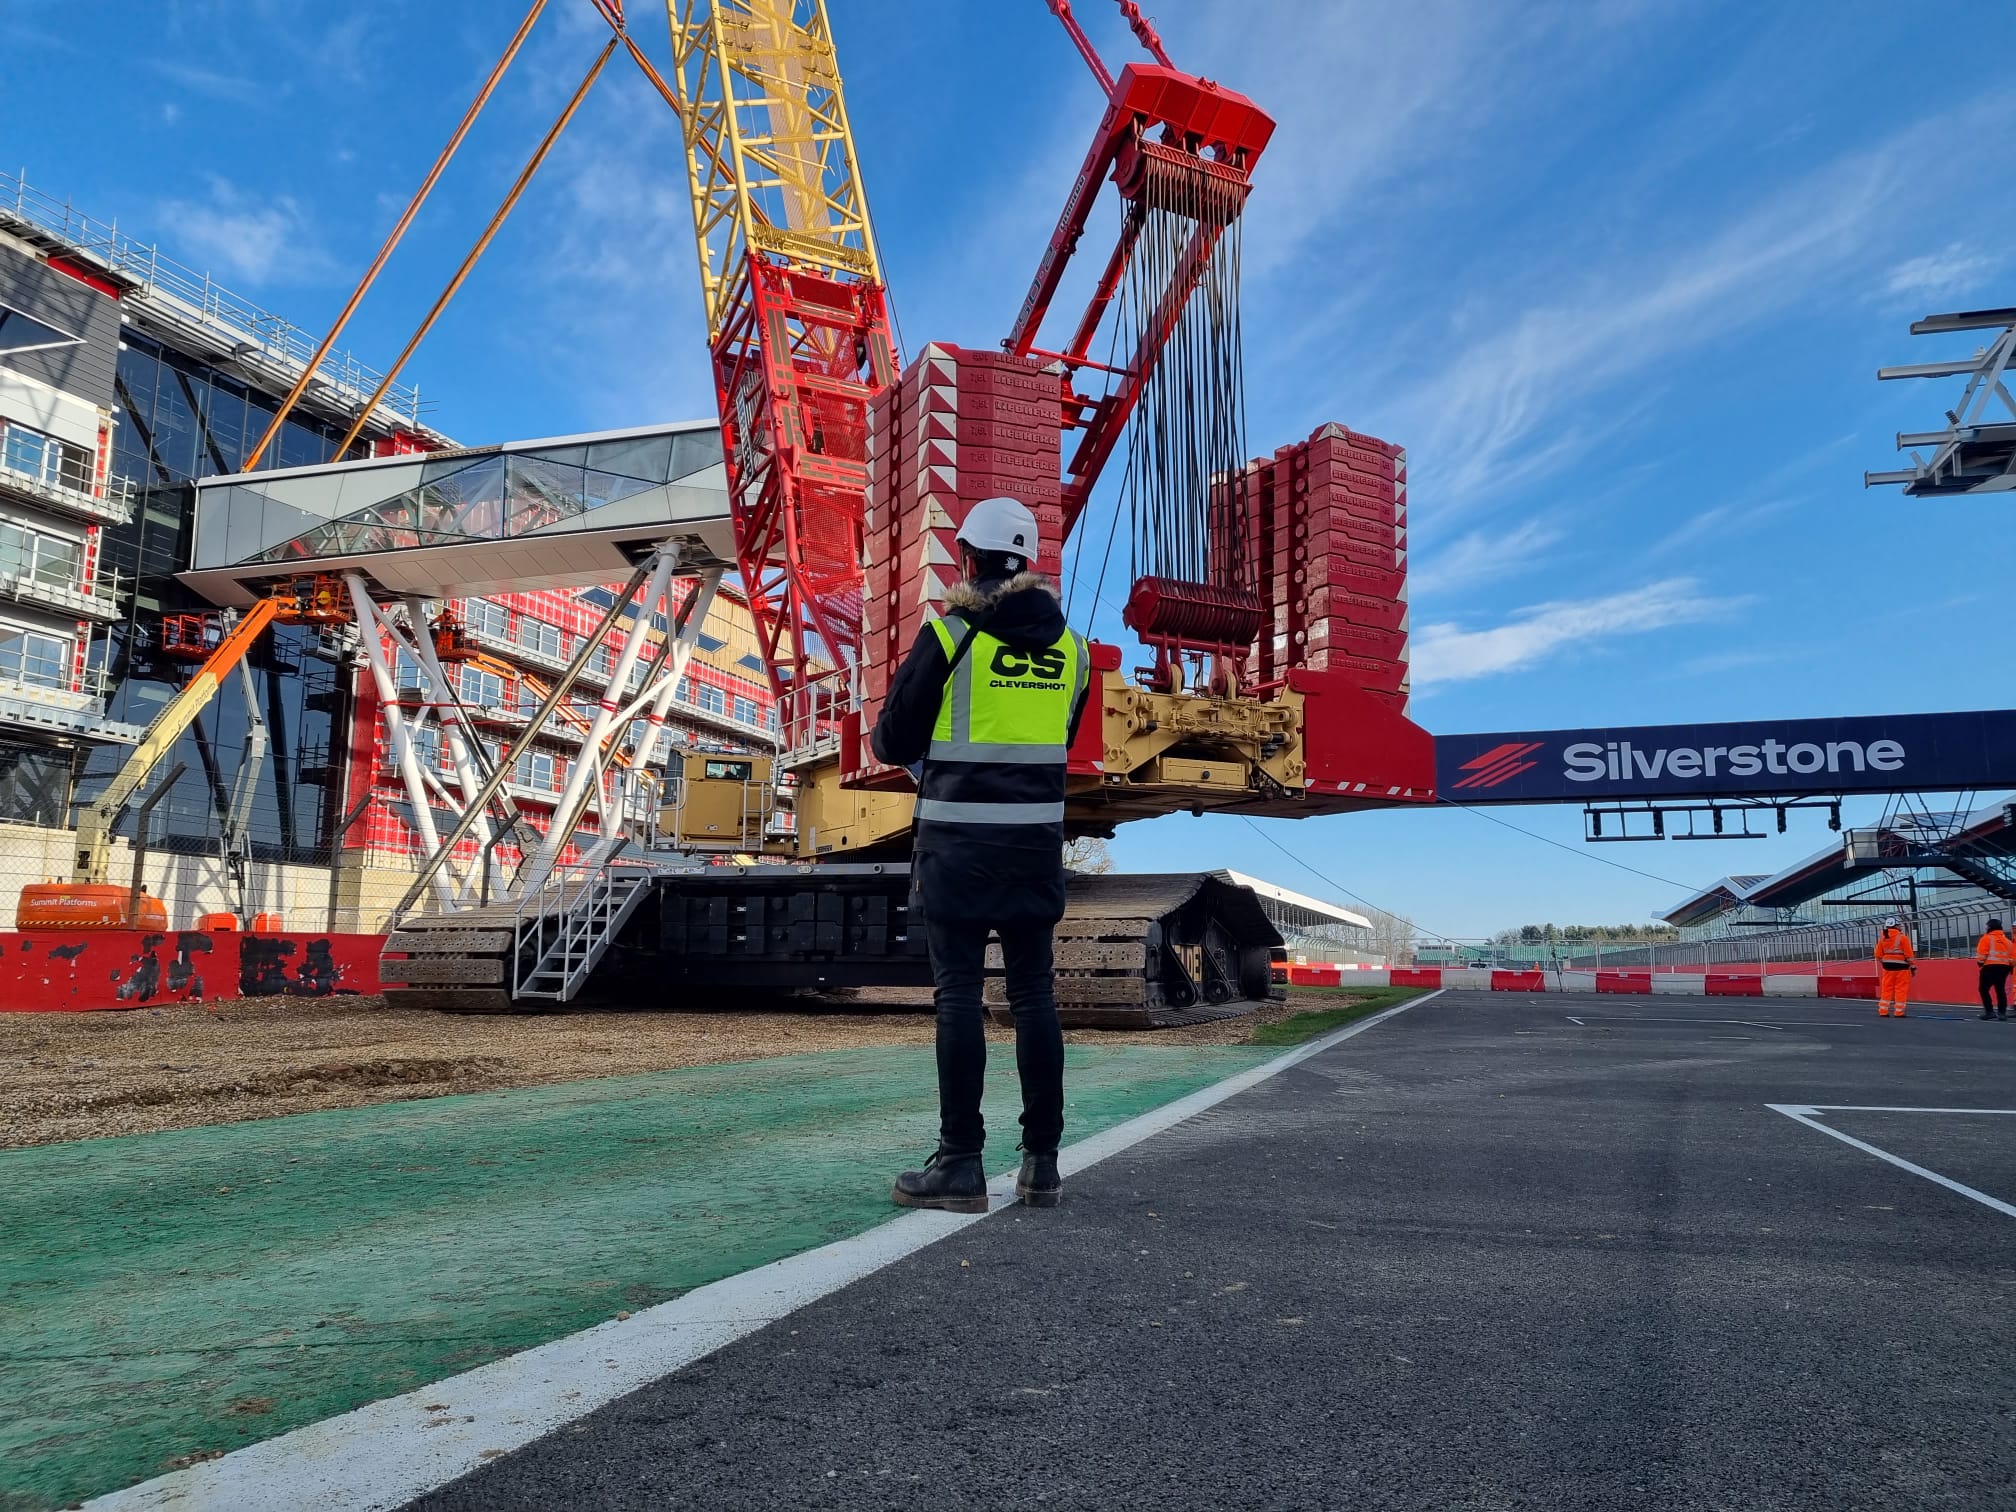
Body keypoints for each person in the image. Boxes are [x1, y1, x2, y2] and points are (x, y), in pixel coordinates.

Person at [870, 496, 1089, 1213]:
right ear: (1027, 563)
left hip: (958, 849)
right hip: (1033, 848)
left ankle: (960, 1162)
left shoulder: (951, 632)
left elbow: (894, 743)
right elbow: (1062, 739)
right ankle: (1042, 1164)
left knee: (959, 996)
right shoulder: (1074, 652)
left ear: (967, 559)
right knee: (1034, 998)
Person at [1874, 917, 1915, 1018]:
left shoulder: (1883, 938)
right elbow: (1909, 955)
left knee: (1886, 989)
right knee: (1900, 989)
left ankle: (1883, 1011)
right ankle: (1899, 1012)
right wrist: (1913, 966)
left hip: (1887, 968)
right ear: (1896, 926)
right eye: (1899, 925)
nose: (1900, 927)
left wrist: (1884, 962)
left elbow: (1878, 955)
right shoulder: (1903, 938)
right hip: (1902, 968)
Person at [1975, 918, 2012, 1021]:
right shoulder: (2007, 941)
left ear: (1990, 927)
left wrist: (1980, 963)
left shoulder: (1986, 938)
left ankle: (1989, 1011)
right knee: (2000, 990)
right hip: (2004, 968)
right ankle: (2002, 1013)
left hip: (1989, 967)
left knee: (1983, 989)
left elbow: (1982, 954)